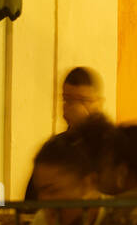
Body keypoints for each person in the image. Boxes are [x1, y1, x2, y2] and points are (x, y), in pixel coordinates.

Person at [23, 68, 105, 201]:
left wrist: (86, 127)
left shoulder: (109, 144)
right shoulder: (55, 147)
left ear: (99, 103)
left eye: (84, 101)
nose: (75, 108)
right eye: (68, 100)